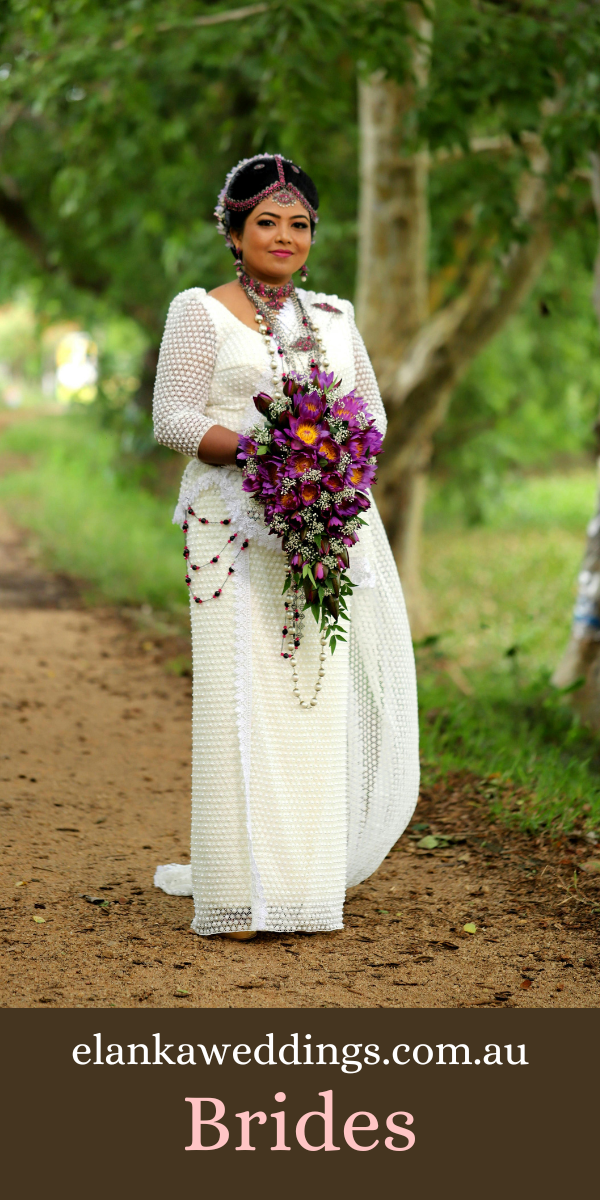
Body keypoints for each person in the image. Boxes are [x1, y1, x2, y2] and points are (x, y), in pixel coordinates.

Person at [152, 153, 419, 942]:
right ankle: (236, 894)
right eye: (266, 221)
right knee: (239, 697)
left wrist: (328, 469)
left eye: (299, 224)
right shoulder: (200, 312)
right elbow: (173, 417)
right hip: (230, 530)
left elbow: (369, 418)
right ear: (234, 232)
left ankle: (304, 891)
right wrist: (265, 454)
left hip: (321, 531)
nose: (284, 236)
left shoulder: (335, 316)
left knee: (313, 700)